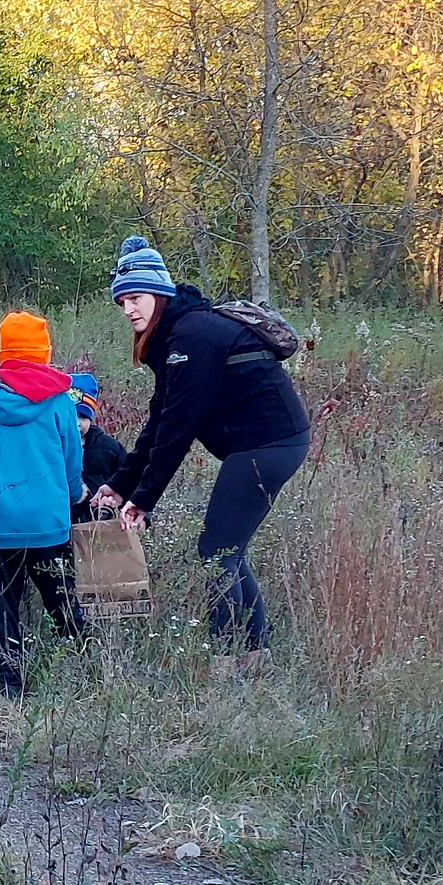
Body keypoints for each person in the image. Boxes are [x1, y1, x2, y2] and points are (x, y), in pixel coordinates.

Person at [92, 235, 311, 673]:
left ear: (159, 293)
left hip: (269, 445)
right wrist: (120, 485)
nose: (128, 310)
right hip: (262, 445)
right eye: (122, 302)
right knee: (227, 550)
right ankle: (256, 656)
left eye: (135, 298)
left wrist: (143, 499)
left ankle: (229, 660)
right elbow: (160, 419)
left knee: (216, 552)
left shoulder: (192, 336)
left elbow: (179, 428)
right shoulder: (176, 335)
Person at [0, 311, 84, 697]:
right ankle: (86, 667)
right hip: (46, 523)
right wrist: (73, 495)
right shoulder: (60, 403)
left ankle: (11, 686)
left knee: (3, 607)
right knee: (61, 599)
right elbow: (72, 463)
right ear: (45, 354)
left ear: (2, 354)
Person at [68, 372, 128, 525]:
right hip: (61, 525)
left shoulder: (109, 448)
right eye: (70, 416)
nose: (77, 423)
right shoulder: (51, 447)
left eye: (83, 417)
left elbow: (131, 481)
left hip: (100, 525)